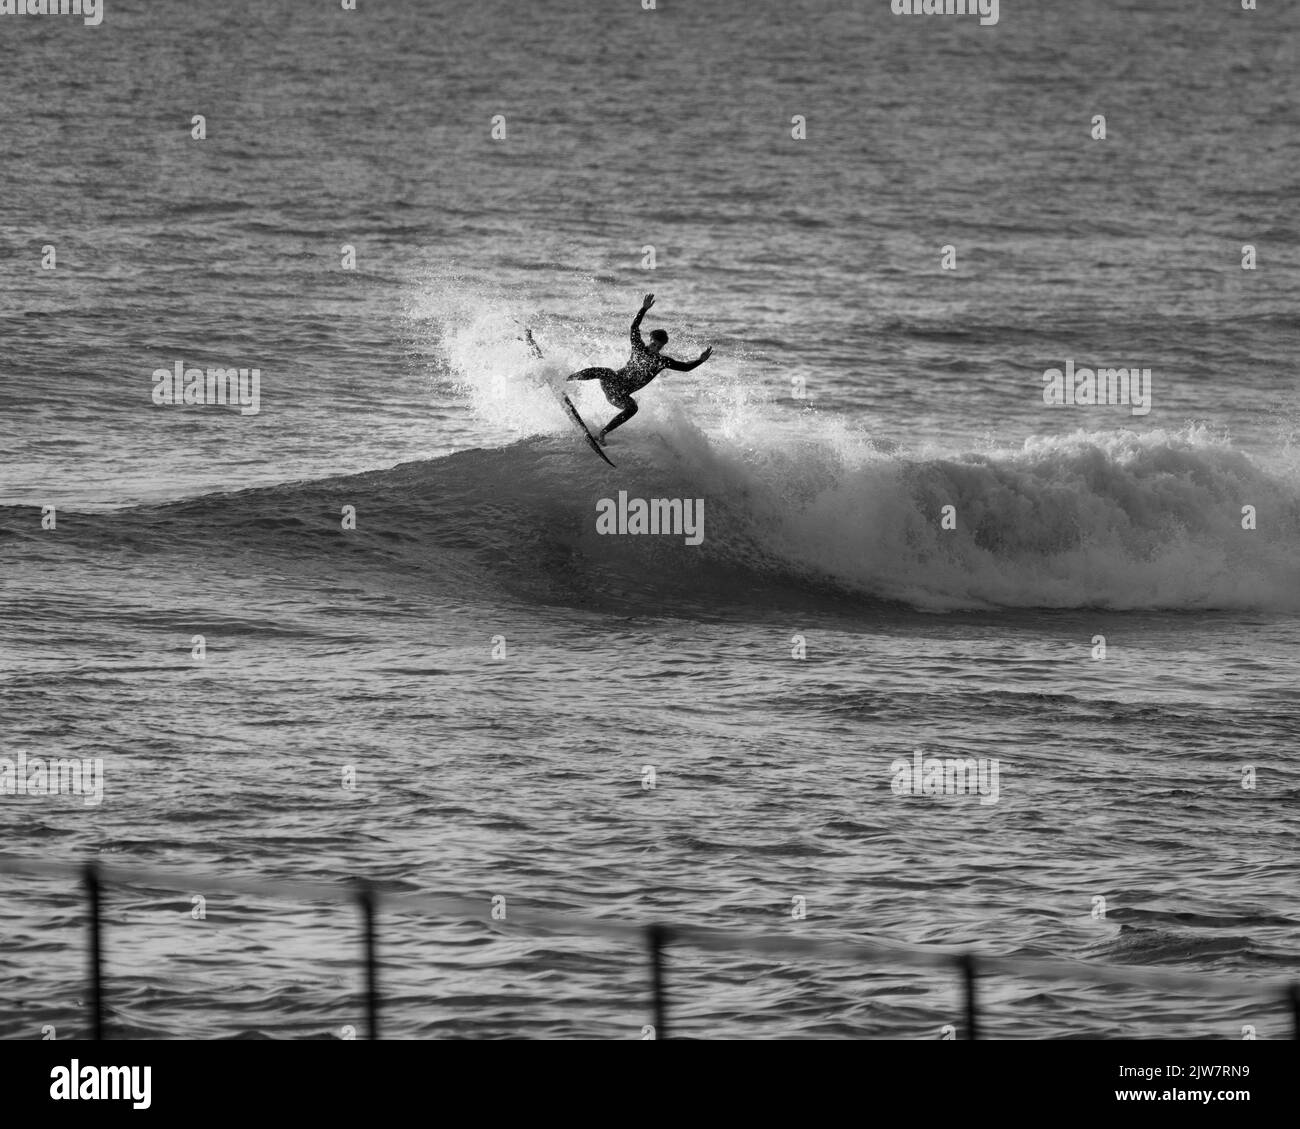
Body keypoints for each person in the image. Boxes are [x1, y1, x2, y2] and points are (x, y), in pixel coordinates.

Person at [565, 294, 713, 444]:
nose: (655, 348)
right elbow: (634, 327)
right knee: (605, 371)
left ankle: (603, 433)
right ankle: (568, 378)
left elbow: (686, 368)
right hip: (611, 383)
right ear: (650, 340)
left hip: (620, 396)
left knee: (633, 408)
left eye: (659, 347)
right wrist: (644, 309)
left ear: (663, 347)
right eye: (654, 344)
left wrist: (700, 360)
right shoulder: (638, 348)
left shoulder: (661, 361)